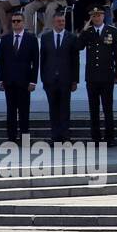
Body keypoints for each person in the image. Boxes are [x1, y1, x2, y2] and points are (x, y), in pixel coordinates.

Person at [78, 5, 117, 144]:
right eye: (94, 16)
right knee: (94, 108)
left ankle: (110, 138)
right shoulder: (88, 31)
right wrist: (83, 30)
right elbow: (79, 46)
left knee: (108, 108)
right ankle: (95, 138)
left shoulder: (112, 31)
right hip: (92, 77)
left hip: (107, 75)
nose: (97, 18)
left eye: (99, 15)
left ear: (103, 16)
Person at [0, 12, 39, 142]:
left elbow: (35, 61)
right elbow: (1, 61)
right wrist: (0, 79)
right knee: (11, 111)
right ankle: (11, 138)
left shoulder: (31, 39)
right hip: (9, 80)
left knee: (24, 111)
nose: (16, 23)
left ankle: (25, 138)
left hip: (24, 81)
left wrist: (33, 81)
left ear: (23, 22)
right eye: (14, 21)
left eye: (18, 21)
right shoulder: (5, 39)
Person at [39, 10, 79, 141]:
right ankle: (55, 136)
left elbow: (75, 60)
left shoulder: (71, 37)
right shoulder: (45, 38)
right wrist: (43, 79)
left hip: (66, 80)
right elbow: (43, 59)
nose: (61, 23)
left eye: (63, 21)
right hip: (50, 80)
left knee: (65, 109)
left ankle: (65, 136)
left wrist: (75, 80)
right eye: (58, 21)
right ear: (53, 22)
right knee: (53, 109)